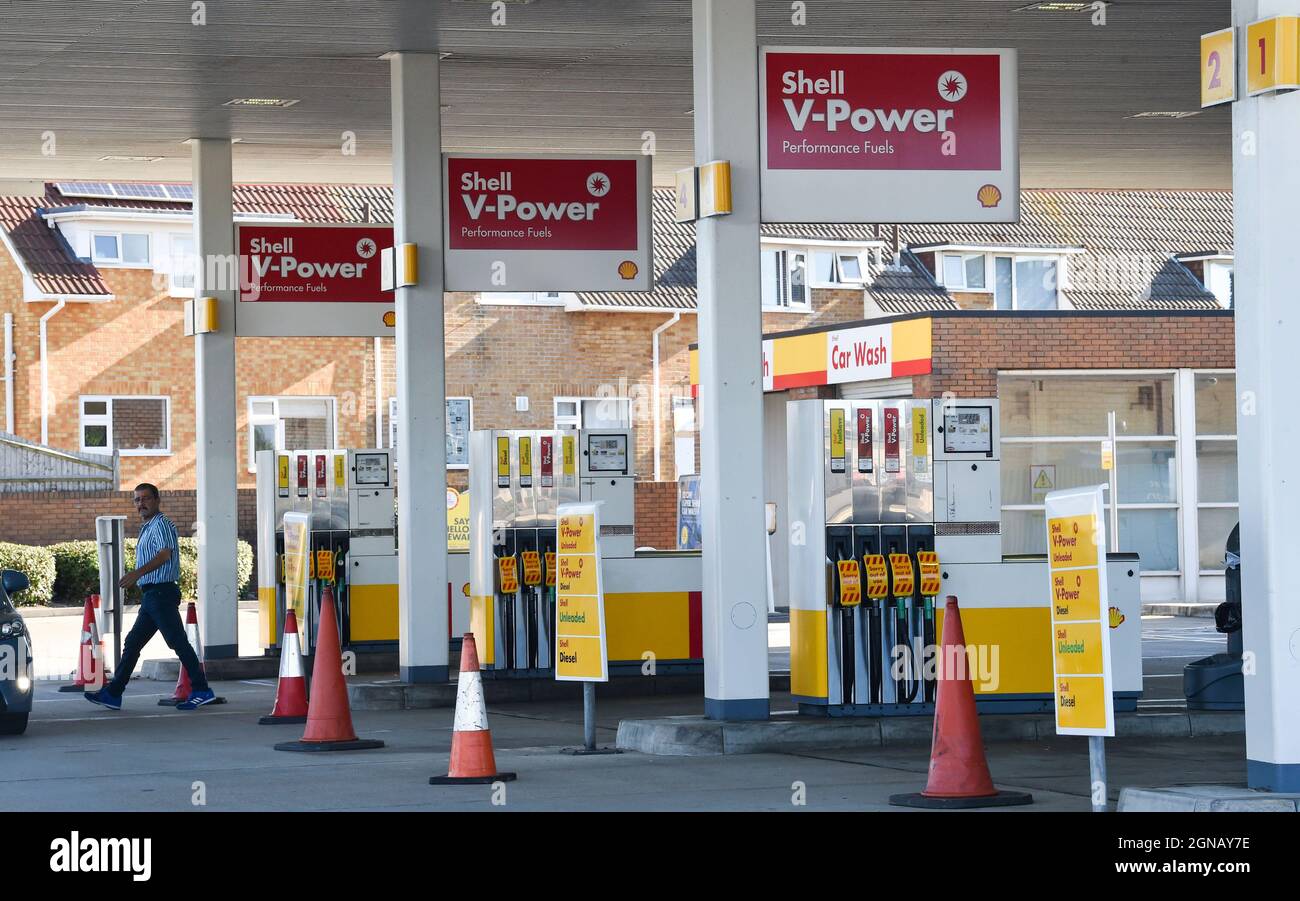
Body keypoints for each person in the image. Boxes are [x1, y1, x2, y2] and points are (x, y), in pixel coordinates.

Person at [85, 483, 217, 711]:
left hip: (161, 592)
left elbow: (165, 554)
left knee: (177, 642)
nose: (141, 503)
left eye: (145, 498)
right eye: (137, 500)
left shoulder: (162, 524)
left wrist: (137, 573)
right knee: (133, 642)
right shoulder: (148, 527)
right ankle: (114, 694)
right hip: (151, 595)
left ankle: (202, 689)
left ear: (157, 500)